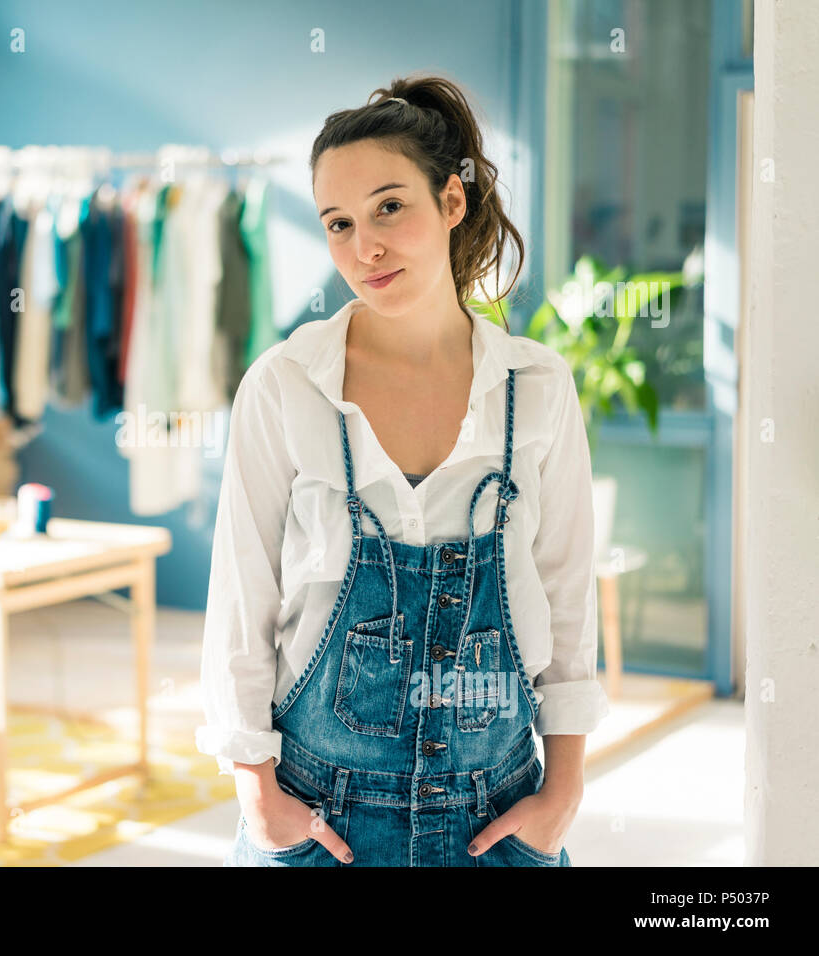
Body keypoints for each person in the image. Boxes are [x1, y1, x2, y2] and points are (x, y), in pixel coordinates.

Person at [196, 75, 609, 866]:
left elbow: (566, 598)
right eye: (339, 223)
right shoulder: (286, 385)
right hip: (321, 827)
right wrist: (256, 791)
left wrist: (563, 793)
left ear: (452, 202)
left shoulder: (537, 387)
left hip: (500, 819)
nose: (365, 248)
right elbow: (241, 601)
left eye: (390, 207)